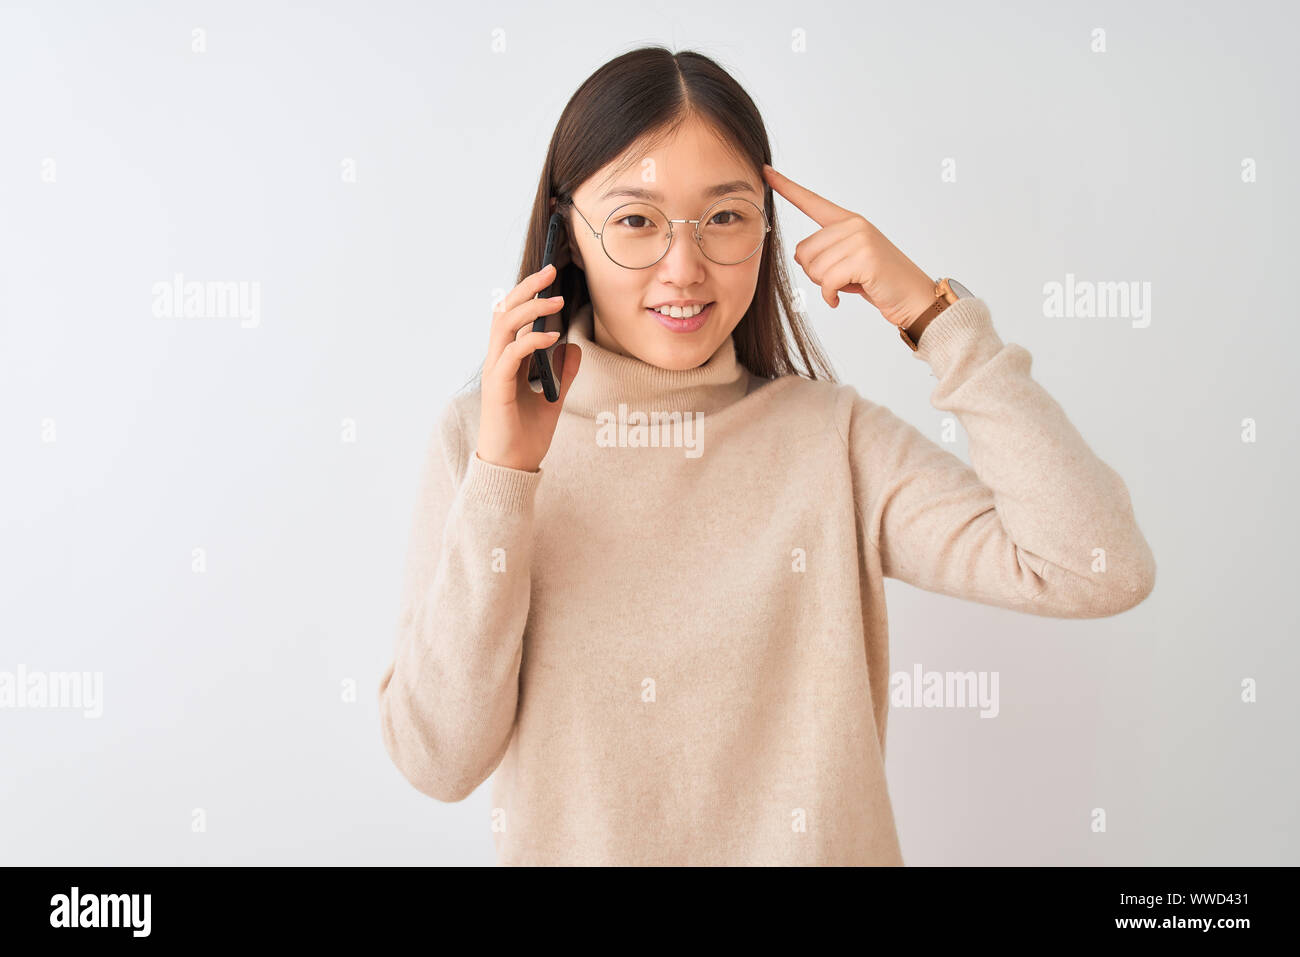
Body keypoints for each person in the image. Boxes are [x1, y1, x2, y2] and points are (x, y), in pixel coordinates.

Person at [377, 46, 1156, 866]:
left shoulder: (833, 440)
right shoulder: (482, 441)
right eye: (636, 220)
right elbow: (437, 760)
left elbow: (1095, 566)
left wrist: (937, 317)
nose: (685, 268)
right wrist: (505, 477)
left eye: (725, 217)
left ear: (766, 228)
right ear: (565, 234)